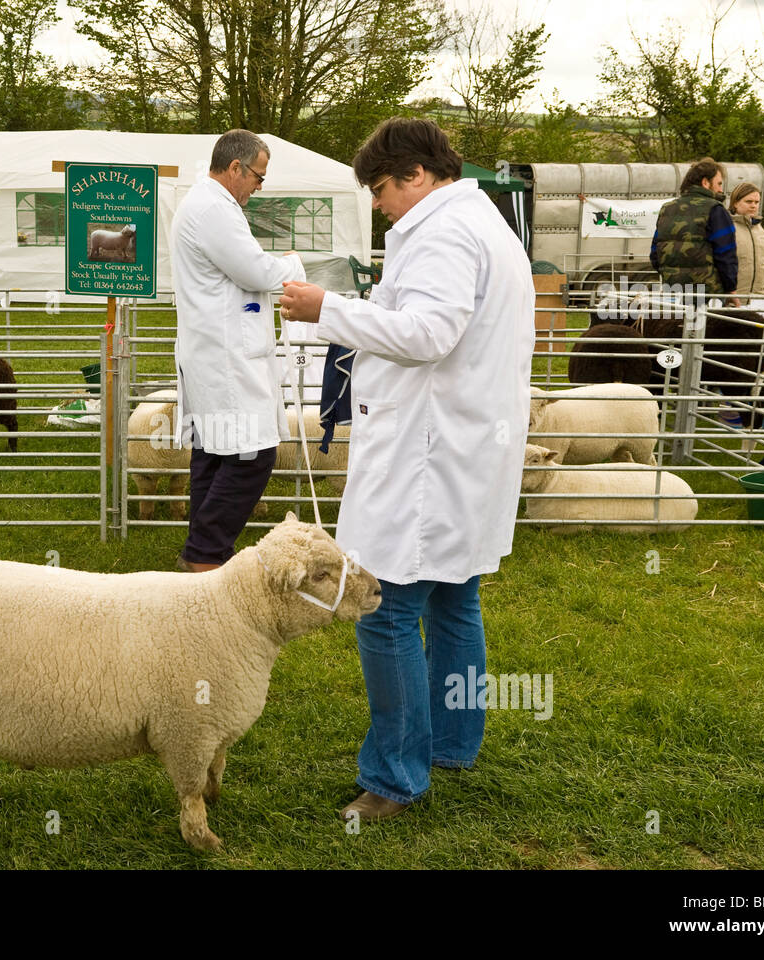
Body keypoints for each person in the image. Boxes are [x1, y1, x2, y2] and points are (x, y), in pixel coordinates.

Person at [278, 117, 534, 823]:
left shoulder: (446, 233)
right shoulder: (482, 224)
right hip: (463, 447)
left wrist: (327, 308)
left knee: (383, 612)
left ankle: (394, 778)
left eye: (384, 189)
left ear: (419, 175)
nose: (381, 203)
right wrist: (343, 311)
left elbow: (429, 334)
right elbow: (416, 319)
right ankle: (451, 742)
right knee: (455, 600)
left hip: (430, 456)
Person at [171, 129, 306, 572]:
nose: (259, 187)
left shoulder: (209, 204)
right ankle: (206, 553)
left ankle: (202, 550)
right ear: (235, 168)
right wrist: (292, 263)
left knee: (215, 453)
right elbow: (254, 270)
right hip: (225, 355)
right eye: (258, 177)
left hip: (217, 350)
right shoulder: (213, 208)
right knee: (253, 454)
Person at [650, 157, 737, 300]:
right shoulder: (716, 210)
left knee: (675, 322)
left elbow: (655, 254)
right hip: (707, 296)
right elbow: (726, 254)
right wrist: (731, 288)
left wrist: (671, 275)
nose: (721, 189)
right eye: (719, 184)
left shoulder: (667, 208)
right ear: (705, 182)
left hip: (672, 294)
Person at [728, 181, 764, 298]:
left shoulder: (763, 235)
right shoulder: (725, 230)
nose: (753, 205)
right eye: (749, 202)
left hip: (757, 304)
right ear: (735, 203)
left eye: (756, 202)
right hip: (730, 303)